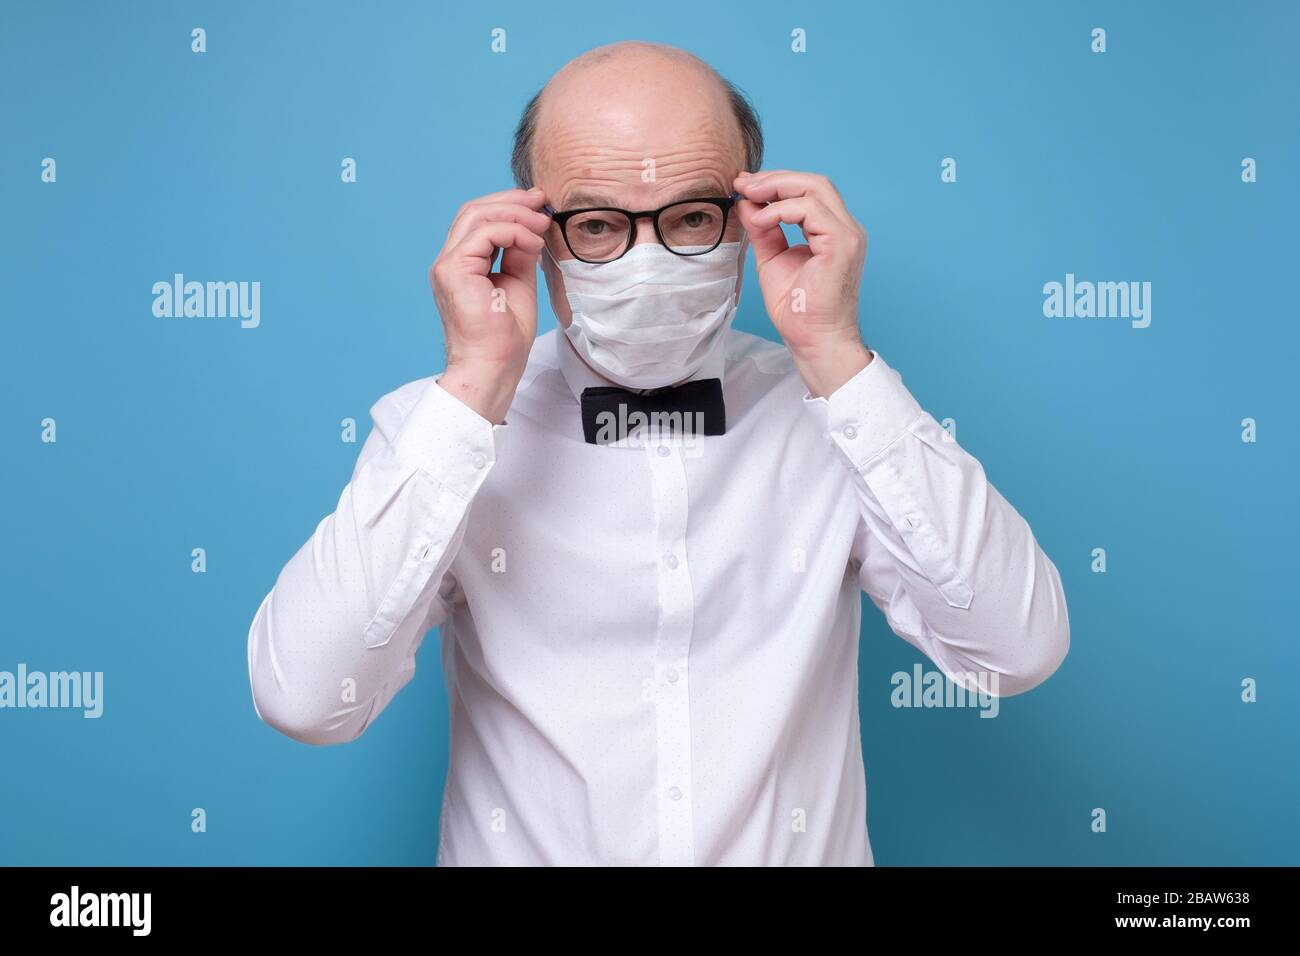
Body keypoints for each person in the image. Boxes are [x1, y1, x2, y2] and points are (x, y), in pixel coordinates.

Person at [246, 40, 1070, 866]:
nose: (647, 263)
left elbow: (1016, 651)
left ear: (749, 219)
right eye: (598, 224)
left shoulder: (835, 417)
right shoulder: (441, 431)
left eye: (688, 217)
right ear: (538, 235)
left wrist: (837, 357)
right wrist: (473, 388)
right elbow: (307, 700)